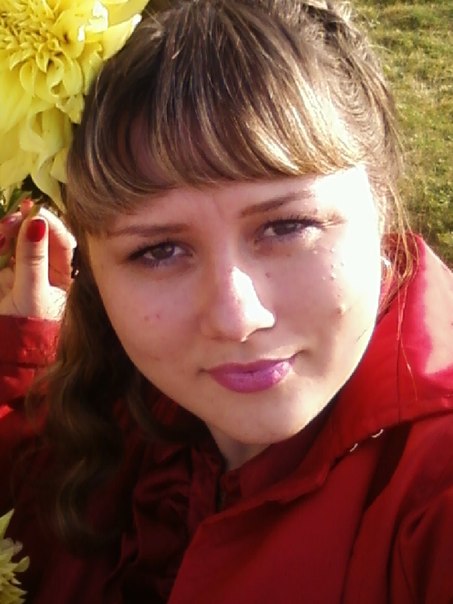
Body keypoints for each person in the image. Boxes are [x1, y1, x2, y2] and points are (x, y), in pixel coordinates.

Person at [1, 1, 452, 602]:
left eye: (288, 226)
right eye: (159, 251)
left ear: (381, 207)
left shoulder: (435, 497)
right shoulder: (105, 407)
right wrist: (23, 368)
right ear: (92, 270)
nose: (237, 318)